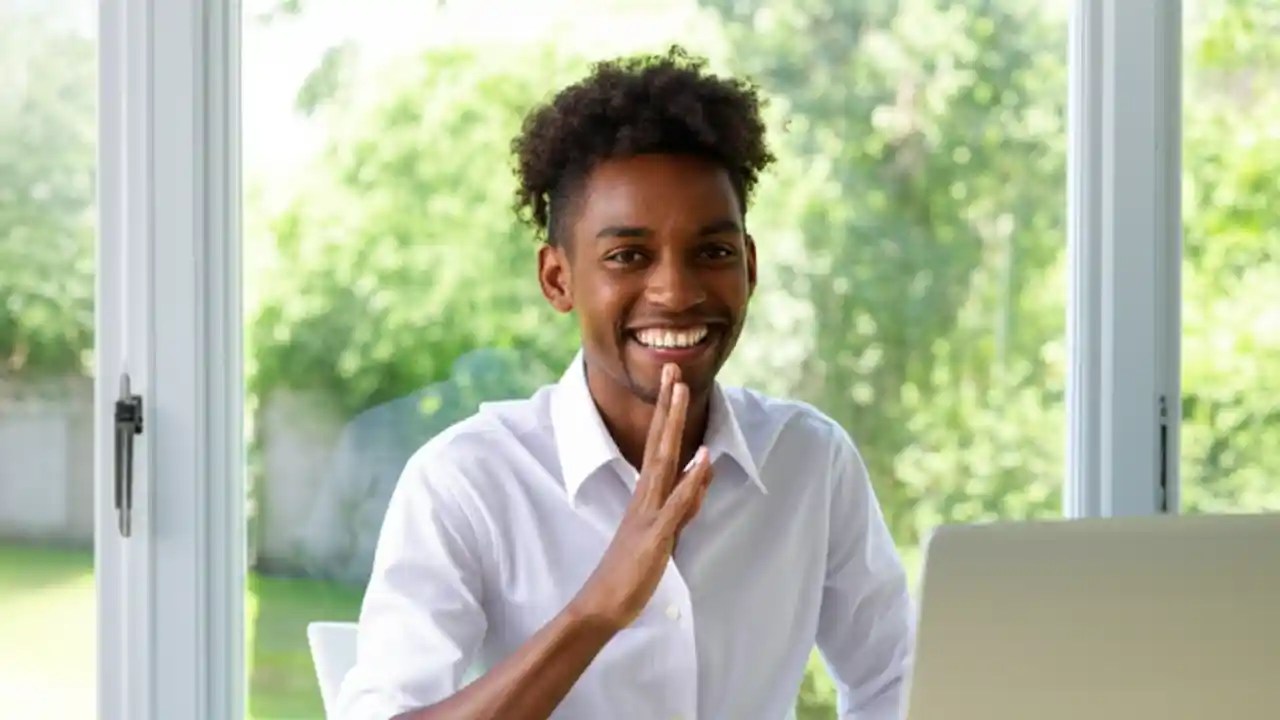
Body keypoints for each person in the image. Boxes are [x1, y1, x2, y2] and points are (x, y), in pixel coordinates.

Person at [335, 47, 914, 720]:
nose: (676, 290)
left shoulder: (810, 462)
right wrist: (598, 607)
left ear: (749, 267)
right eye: (628, 256)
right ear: (558, 279)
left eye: (714, 252)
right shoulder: (467, 482)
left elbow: (896, 683)